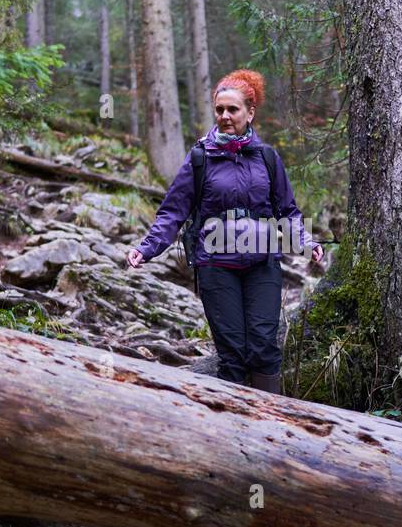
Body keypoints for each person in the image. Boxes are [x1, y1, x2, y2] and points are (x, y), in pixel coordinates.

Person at [126, 69, 323, 392]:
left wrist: (305, 242)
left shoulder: (267, 158)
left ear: (250, 112)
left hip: (262, 264)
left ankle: (271, 419)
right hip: (216, 267)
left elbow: (287, 210)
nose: (225, 116)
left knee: (263, 347)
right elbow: (174, 210)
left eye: (233, 110)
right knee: (232, 354)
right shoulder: (200, 158)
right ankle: (234, 428)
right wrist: (146, 247)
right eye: (220, 110)